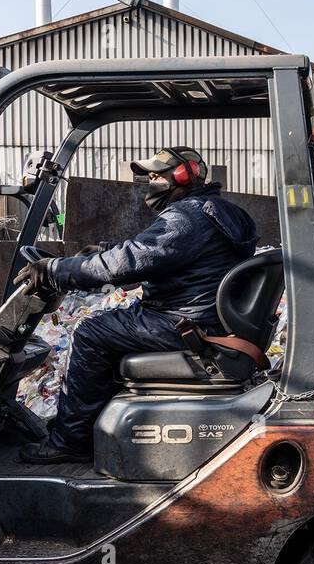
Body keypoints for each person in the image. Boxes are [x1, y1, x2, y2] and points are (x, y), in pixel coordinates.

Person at [17, 147, 258, 464]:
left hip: (184, 322)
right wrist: (102, 252)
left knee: (90, 333)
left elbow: (131, 260)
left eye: (157, 176)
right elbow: (153, 255)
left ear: (182, 176)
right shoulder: (219, 212)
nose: (150, 183)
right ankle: (88, 423)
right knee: (109, 325)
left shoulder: (187, 217)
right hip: (201, 316)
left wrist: (53, 271)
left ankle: (71, 442)